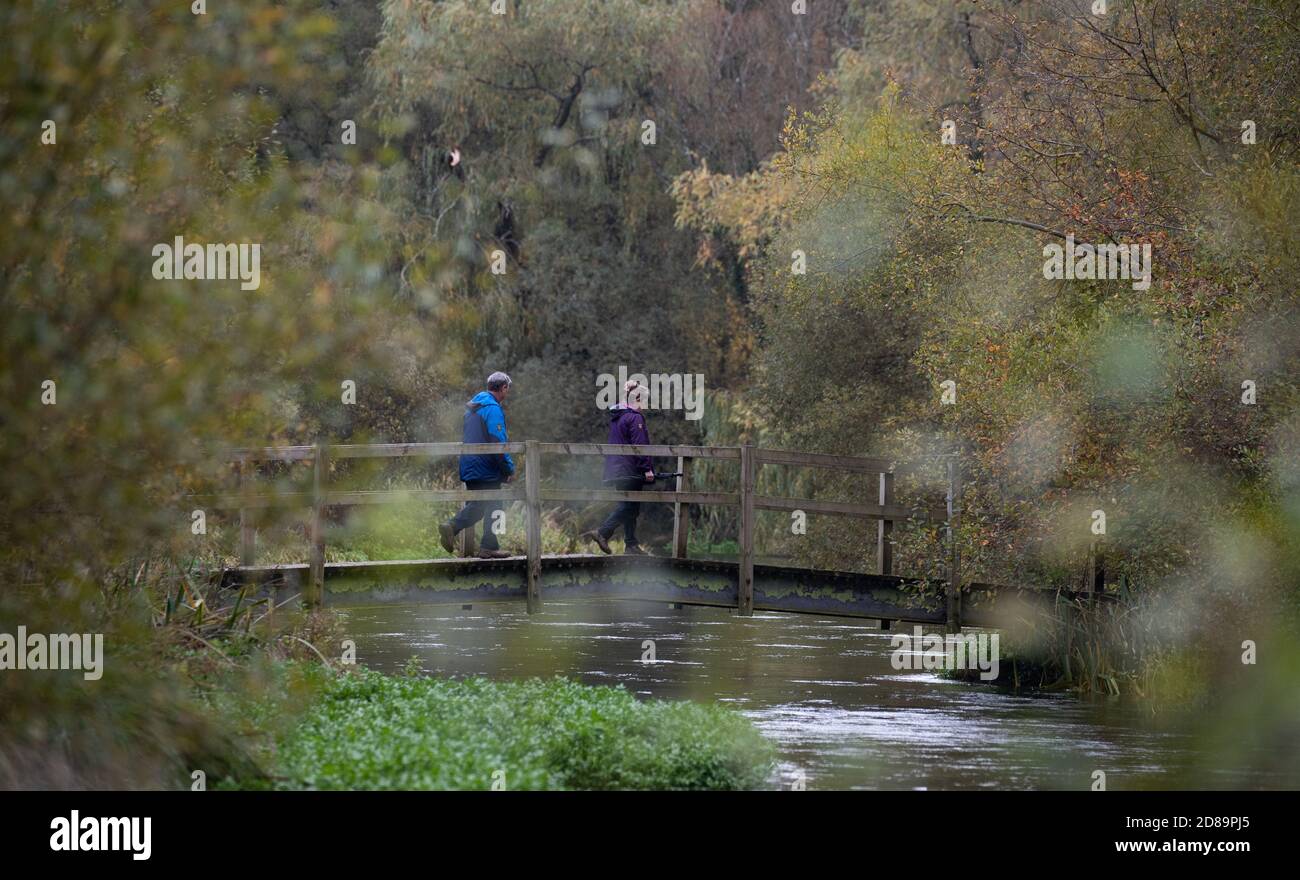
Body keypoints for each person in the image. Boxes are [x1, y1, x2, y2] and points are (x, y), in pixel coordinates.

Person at [439, 372, 515, 559]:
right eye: (508, 388)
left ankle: (459, 531)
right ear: (503, 388)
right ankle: (480, 542)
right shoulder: (493, 409)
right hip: (486, 467)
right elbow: (497, 442)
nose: (507, 392)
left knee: (480, 505)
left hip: (470, 464)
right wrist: (508, 468)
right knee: (494, 504)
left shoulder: (472, 409)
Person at [582, 380, 655, 555]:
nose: (645, 405)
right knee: (630, 507)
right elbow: (639, 445)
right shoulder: (635, 418)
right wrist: (647, 468)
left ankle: (630, 544)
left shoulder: (619, 416)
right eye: (644, 400)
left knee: (629, 505)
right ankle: (603, 532)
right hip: (629, 469)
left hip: (617, 468)